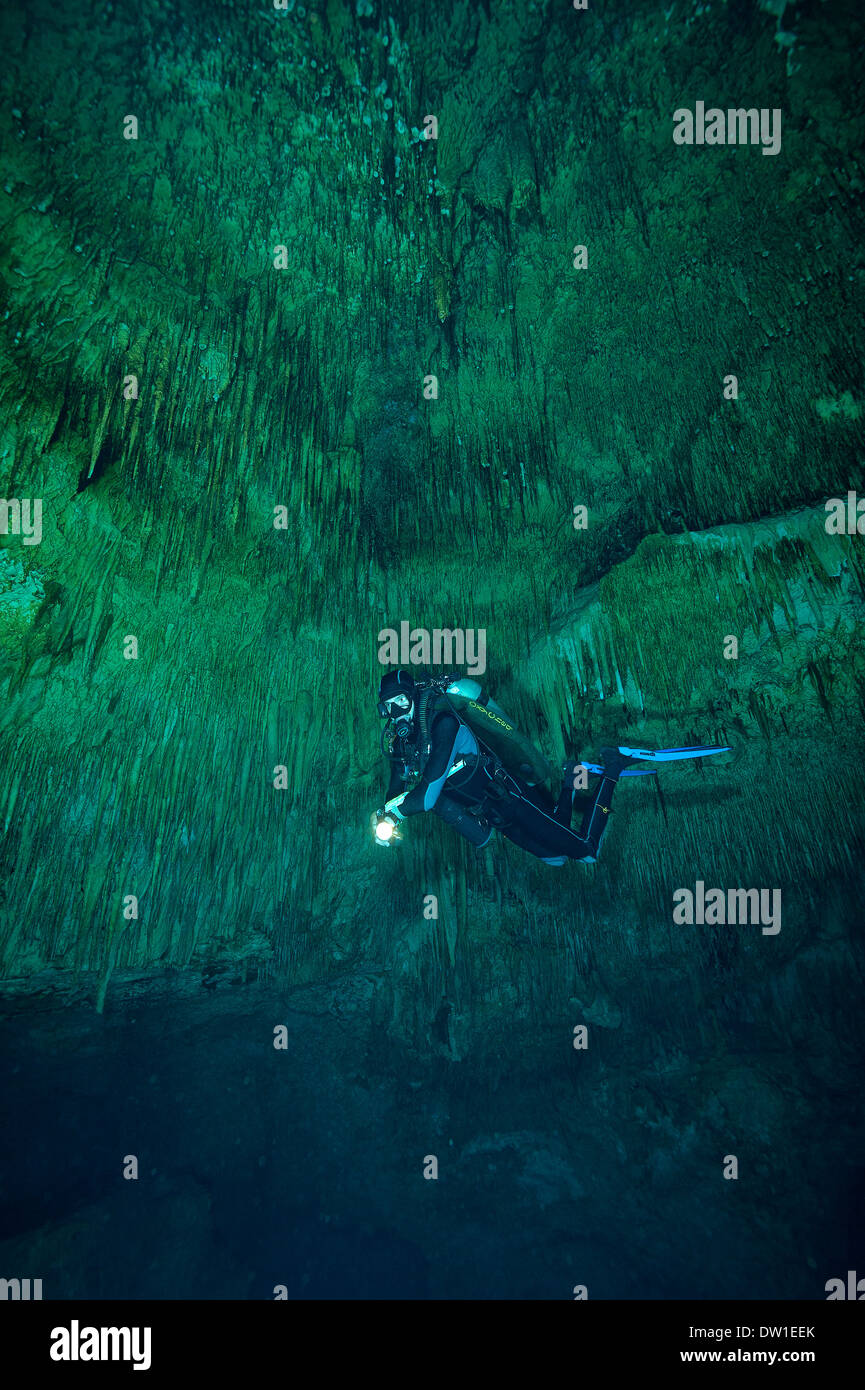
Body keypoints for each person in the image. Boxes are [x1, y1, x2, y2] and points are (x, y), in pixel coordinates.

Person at [372, 669, 641, 866]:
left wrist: (396, 815)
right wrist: (383, 815)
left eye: (402, 703)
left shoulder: (444, 723)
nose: (398, 713)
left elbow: (427, 797)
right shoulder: (402, 748)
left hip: (512, 797)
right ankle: (572, 778)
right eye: (389, 707)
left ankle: (614, 766)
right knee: (556, 858)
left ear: (414, 698)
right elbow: (395, 796)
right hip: (496, 816)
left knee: (585, 850)